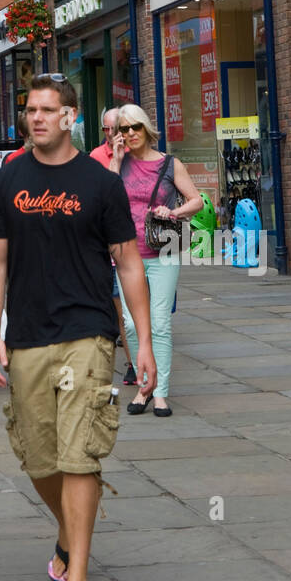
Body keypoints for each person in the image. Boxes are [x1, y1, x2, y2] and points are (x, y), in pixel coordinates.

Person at [0, 75, 156, 581]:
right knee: (37, 457)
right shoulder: (6, 181)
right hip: (27, 332)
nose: (36, 118)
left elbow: (128, 262)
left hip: (89, 331)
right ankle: (67, 532)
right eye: (30, 109)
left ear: (71, 116)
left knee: (80, 454)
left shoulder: (99, 183)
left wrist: (143, 341)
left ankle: (77, 579)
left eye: (47, 110)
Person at [108, 104, 202, 420]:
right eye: (124, 129)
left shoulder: (169, 164)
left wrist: (172, 212)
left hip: (163, 251)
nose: (130, 134)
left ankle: (158, 393)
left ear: (147, 129)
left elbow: (197, 201)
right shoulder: (117, 164)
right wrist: (116, 160)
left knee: (159, 322)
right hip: (126, 254)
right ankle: (144, 385)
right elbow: (105, 200)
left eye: (135, 127)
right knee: (133, 325)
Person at [90, 108, 136, 386]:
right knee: (123, 314)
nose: (110, 134)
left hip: (144, 243)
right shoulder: (96, 158)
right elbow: (102, 198)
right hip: (113, 245)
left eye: (114, 128)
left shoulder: (137, 154)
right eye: (105, 129)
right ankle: (132, 363)